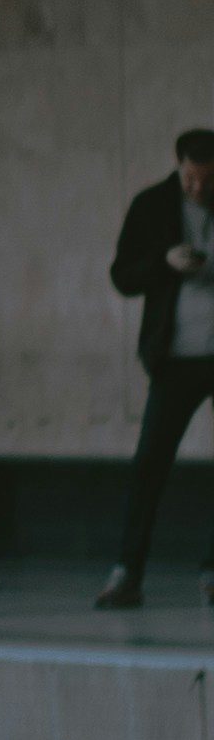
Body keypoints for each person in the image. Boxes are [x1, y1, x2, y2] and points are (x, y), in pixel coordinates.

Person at [98, 127, 214, 605]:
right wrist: (165, 262)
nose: (199, 190)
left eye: (208, 180)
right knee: (149, 464)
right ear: (178, 166)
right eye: (190, 179)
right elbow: (122, 275)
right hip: (175, 355)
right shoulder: (153, 206)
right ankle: (128, 573)